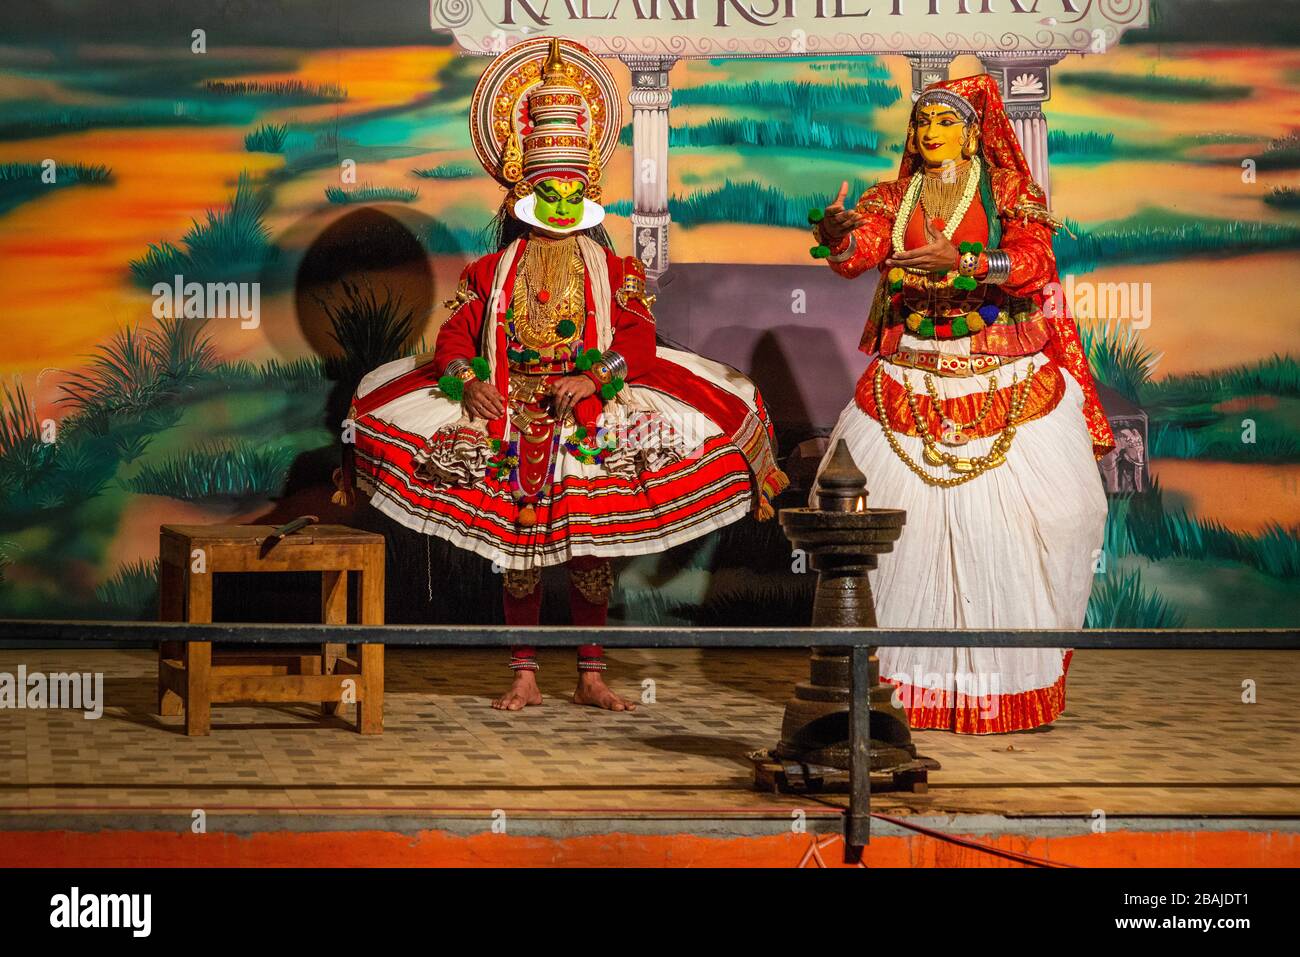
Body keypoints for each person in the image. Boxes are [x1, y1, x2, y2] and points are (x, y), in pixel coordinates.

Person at [338, 38, 786, 712]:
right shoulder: (489, 273)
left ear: (589, 191)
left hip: (586, 416)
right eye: (548, 189)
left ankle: (590, 672)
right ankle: (523, 670)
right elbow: (454, 339)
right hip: (510, 416)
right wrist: (466, 381)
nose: (559, 201)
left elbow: (636, 341)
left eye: (572, 189)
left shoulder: (613, 271)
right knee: (518, 555)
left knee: (590, 551)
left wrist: (596, 379)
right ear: (523, 191)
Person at [810, 74, 1115, 734]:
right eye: (921, 123)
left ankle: (1010, 683)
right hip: (913, 378)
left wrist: (974, 263)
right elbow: (859, 252)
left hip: (1002, 371)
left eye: (943, 123)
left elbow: (1036, 257)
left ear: (973, 133)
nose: (929, 133)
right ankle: (898, 687)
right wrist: (838, 235)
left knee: (1054, 518)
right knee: (898, 537)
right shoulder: (894, 196)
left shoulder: (1007, 191)